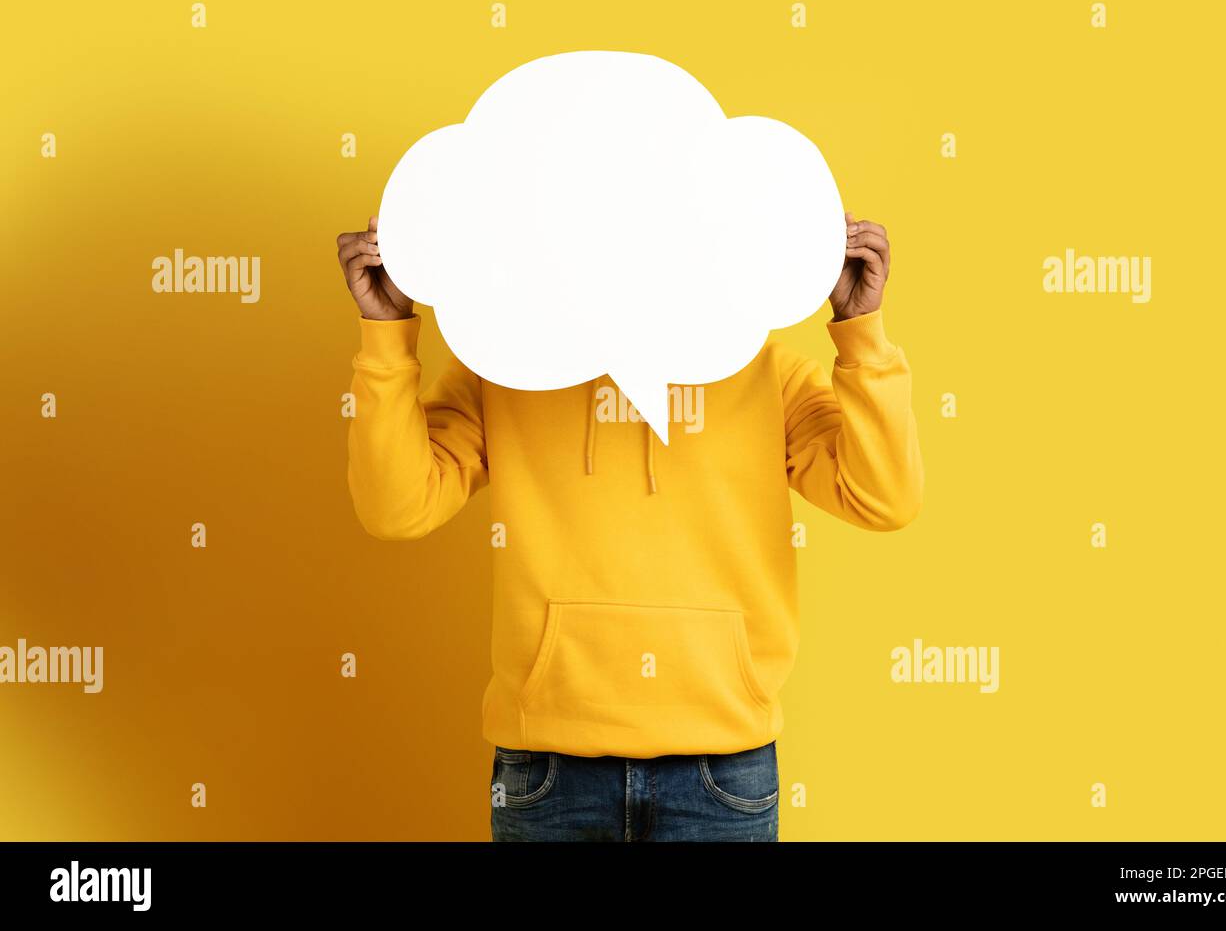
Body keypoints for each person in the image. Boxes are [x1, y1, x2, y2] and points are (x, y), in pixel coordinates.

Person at [336, 210, 923, 841]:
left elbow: (882, 497)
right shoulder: (505, 370)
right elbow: (397, 507)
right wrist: (387, 331)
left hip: (723, 771)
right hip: (547, 772)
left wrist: (859, 331)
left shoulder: (770, 376)